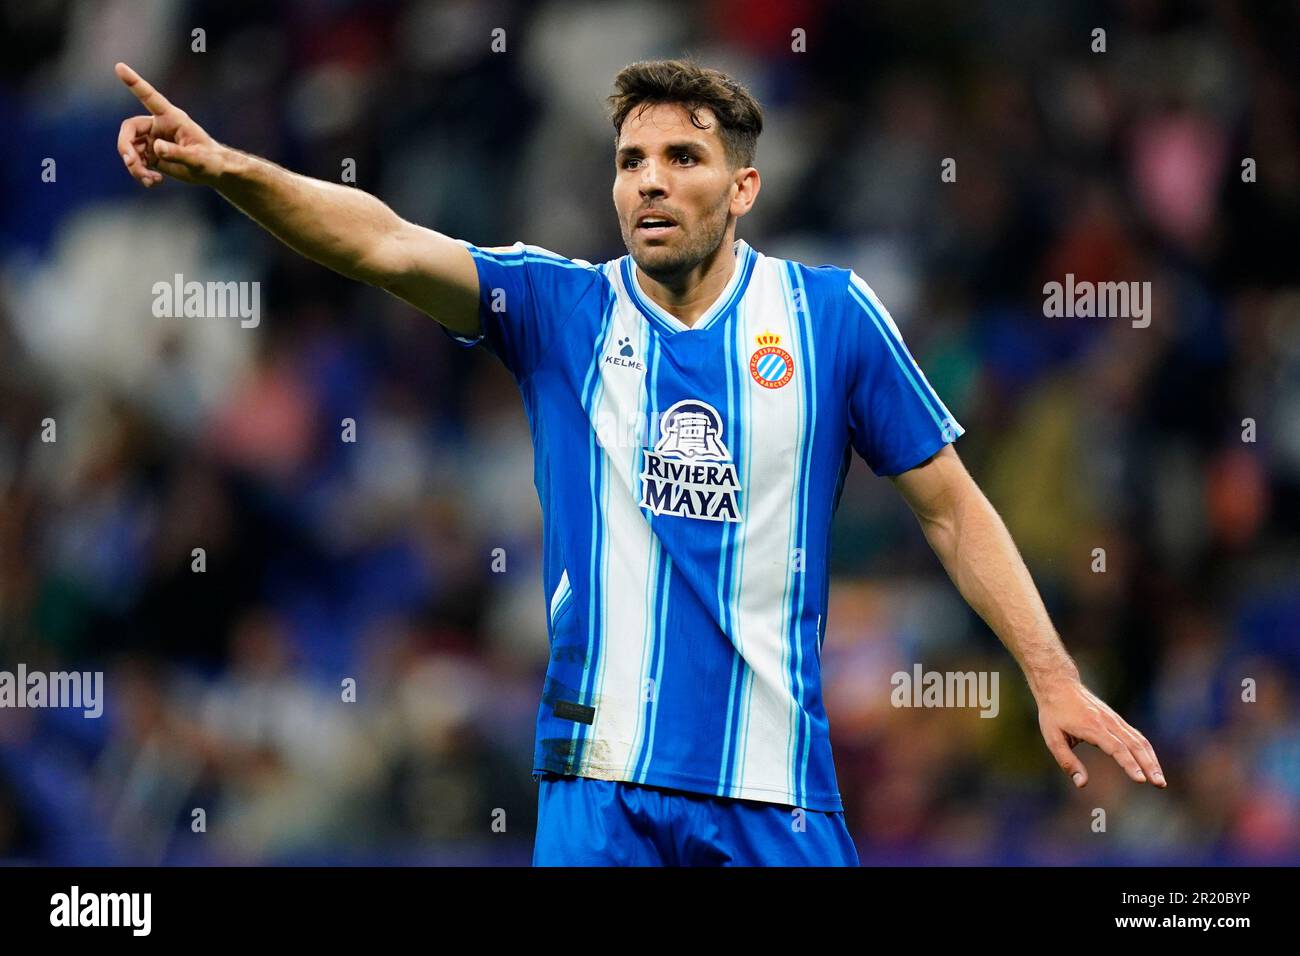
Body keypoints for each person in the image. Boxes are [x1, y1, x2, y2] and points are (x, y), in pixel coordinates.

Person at [114, 56, 1166, 867]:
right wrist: (232, 170)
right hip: (598, 781)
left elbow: (949, 508)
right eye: (629, 161)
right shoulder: (558, 308)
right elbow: (379, 241)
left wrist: (1050, 672)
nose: (649, 183)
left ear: (743, 185)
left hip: (771, 784)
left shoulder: (830, 317)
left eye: (681, 158)